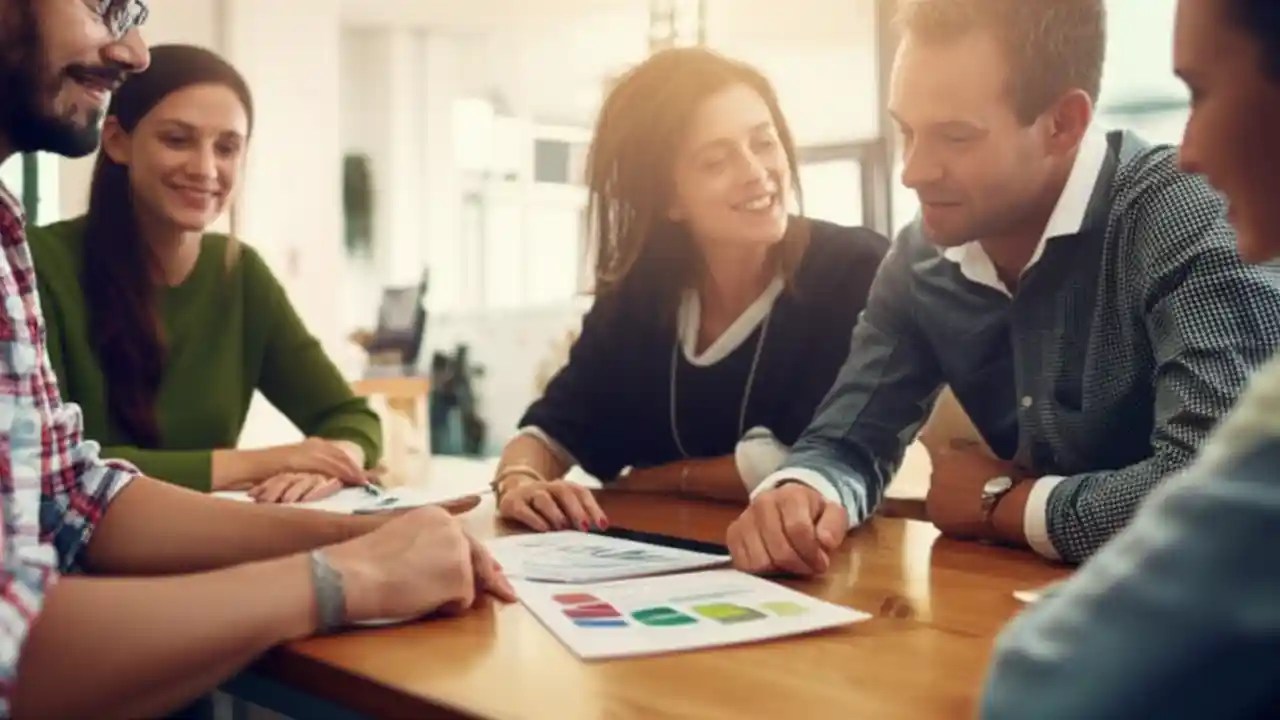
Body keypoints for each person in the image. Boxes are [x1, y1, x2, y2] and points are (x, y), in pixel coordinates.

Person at [0, 3, 512, 718]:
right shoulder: (51, 259)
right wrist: (340, 570)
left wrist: (360, 529)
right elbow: (12, 646)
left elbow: (70, 494)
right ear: (120, 143)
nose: (134, 49)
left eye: (228, 147)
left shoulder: (11, 241)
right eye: (101, 3)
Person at [727, 0, 1280, 576]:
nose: (912, 171)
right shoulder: (922, 257)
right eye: (906, 132)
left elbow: (1225, 493)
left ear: (1062, 124)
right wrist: (802, 493)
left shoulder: (1187, 217)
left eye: (955, 138)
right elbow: (846, 441)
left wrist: (1008, 505)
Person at [982, 1, 1280, 717]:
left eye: (1202, 93)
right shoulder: (925, 260)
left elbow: (1045, 690)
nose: (1191, 151)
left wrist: (1007, 506)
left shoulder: (1172, 210)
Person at [493, 48, 888, 533]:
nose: (755, 171)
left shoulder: (852, 270)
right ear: (668, 199)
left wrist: (648, 482)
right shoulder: (637, 294)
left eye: (764, 143)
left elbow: (793, 464)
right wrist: (521, 482)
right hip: (656, 569)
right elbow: (550, 429)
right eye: (716, 160)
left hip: (817, 566)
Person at [30, 44, 381, 504]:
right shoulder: (38, 263)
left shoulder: (240, 275)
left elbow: (351, 417)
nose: (206, 168)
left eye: (227, 147)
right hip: (79, 559)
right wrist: (264, 462)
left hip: (211, 544)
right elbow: (60, 466)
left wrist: (330, 464)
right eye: (178, 140)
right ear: (117, 141)